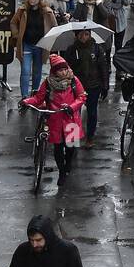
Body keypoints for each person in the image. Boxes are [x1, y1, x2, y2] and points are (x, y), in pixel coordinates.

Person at [22, 53, 87, 186]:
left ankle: (67, 165)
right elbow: (38, 98)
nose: (63, 72)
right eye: (60, 70)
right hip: (56, 120)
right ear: (55, 71)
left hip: (71, 118)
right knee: (58, 148)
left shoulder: (74, 80)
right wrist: (26, 101)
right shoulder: (47, 83)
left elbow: (81, 96)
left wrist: (71, 107)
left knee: (71, 148)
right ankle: (62, 172)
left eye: (65, 69)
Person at [10, 0, 57, 97]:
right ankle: (24, 96)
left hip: (40, 46)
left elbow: (54, 27)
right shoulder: (23, 10)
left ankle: (35, 94)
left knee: (37, 72)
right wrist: (16, 35)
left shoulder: (47, 12)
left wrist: (49, 40)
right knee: (25, 71)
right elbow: (13, 22)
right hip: (26, 44)